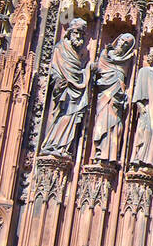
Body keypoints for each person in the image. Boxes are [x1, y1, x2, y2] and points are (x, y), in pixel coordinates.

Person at [39, 18, 89, 158]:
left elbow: (79, 71)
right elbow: (54, 69)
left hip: (76, 92)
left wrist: (88, 71)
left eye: (81, 34)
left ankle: (62, 147)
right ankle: (52, 144)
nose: (78, 36)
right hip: (63, 91)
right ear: (69, 32)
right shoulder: (60, 49)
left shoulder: (81, 53)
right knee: (63, 116)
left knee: (71, 118)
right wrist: (57, 82)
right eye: (76, 33)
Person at [91, 33, 136, 162]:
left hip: (117, 100)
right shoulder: (105, 56)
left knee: (116, 124)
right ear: (117, 39)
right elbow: (97, 71)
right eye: (122, 40)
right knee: (102, 121)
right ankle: (99, 151)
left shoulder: (127, 61)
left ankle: (110, 155)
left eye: (126, 44)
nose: (123, 44)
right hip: (104, 97)